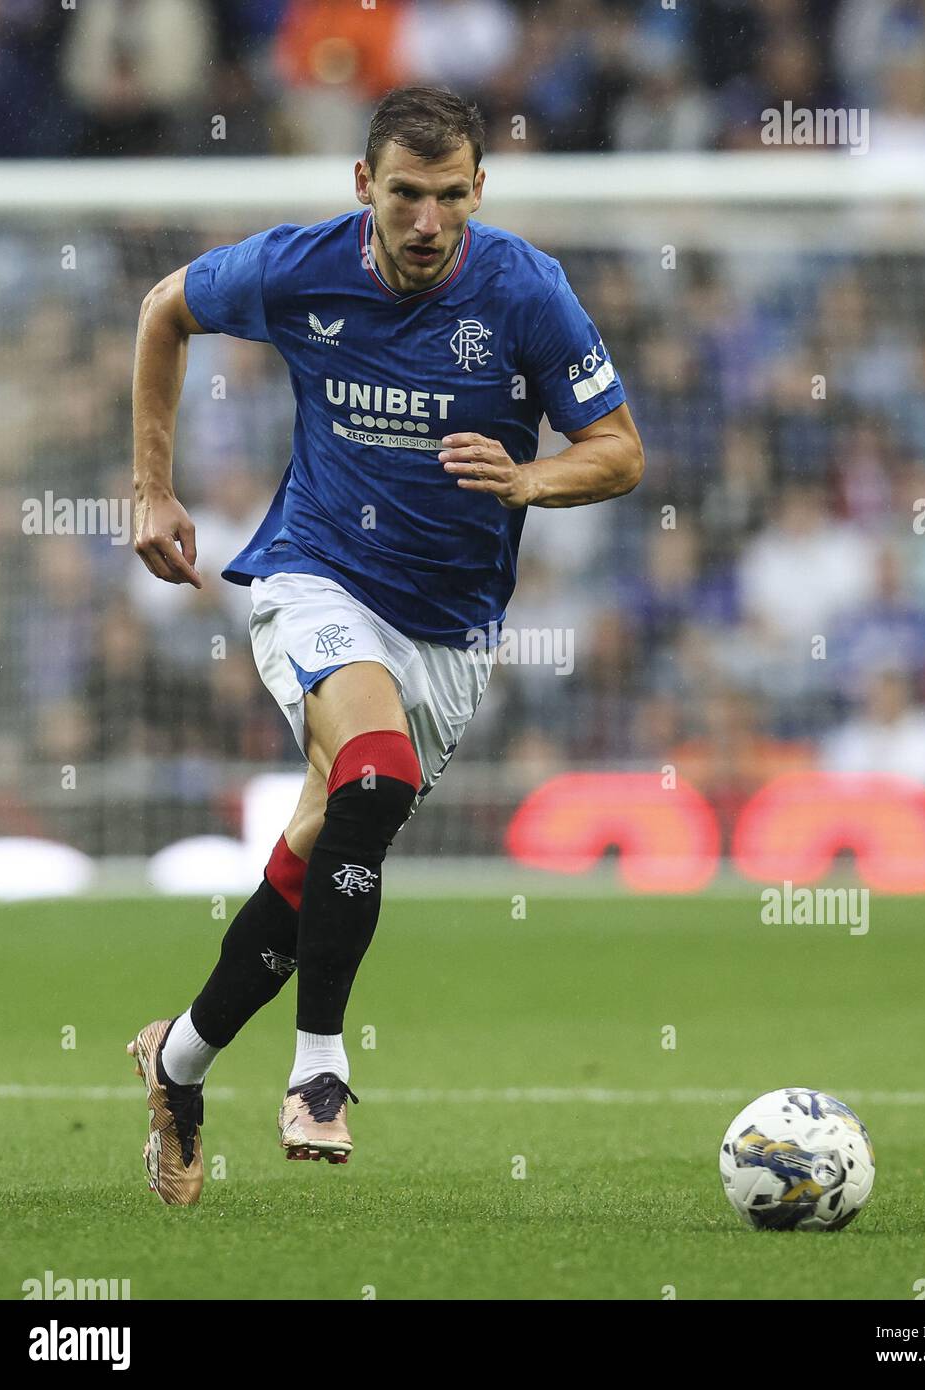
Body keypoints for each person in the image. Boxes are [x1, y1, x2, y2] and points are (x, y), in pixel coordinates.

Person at [128, 86, 644, 1204]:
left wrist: (528, 479)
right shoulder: (298, 267)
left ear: (477, 191)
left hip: (450, 629)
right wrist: (153, 490)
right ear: (364, 185)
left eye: (448, 196)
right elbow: (164, 308)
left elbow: (617, 451)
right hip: (314, 574)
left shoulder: (524, 291)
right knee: (372, 771)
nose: (425, 220)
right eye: (404, 194)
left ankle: (177, 1062)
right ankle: (318, 1070)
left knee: (329, 835)